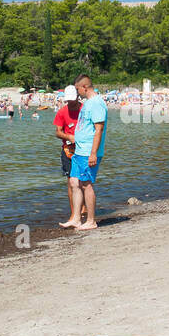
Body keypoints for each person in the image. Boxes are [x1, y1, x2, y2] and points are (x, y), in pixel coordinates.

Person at [60, 76, 106, 231]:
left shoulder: (97, 103)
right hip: (79, 151)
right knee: (74, 182)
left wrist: (93, 153)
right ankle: (76, 219)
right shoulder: (88, 103)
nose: (77, 93)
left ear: (85, 87)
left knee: (86, 184)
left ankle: (91, 220)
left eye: (78, 89)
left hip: (88, 152)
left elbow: (98, 129)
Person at [53, 85, 84, 222]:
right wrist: (69, 137)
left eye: (73, 100)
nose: (70, 103)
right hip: (68, 151)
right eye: (68, 100)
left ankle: (84, 208)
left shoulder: (85, 109)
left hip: (84, 149)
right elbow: (58, 132)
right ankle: (74, 212)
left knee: (83, 181)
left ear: (77, 97)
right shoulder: (61, 112)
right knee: (71, 183)